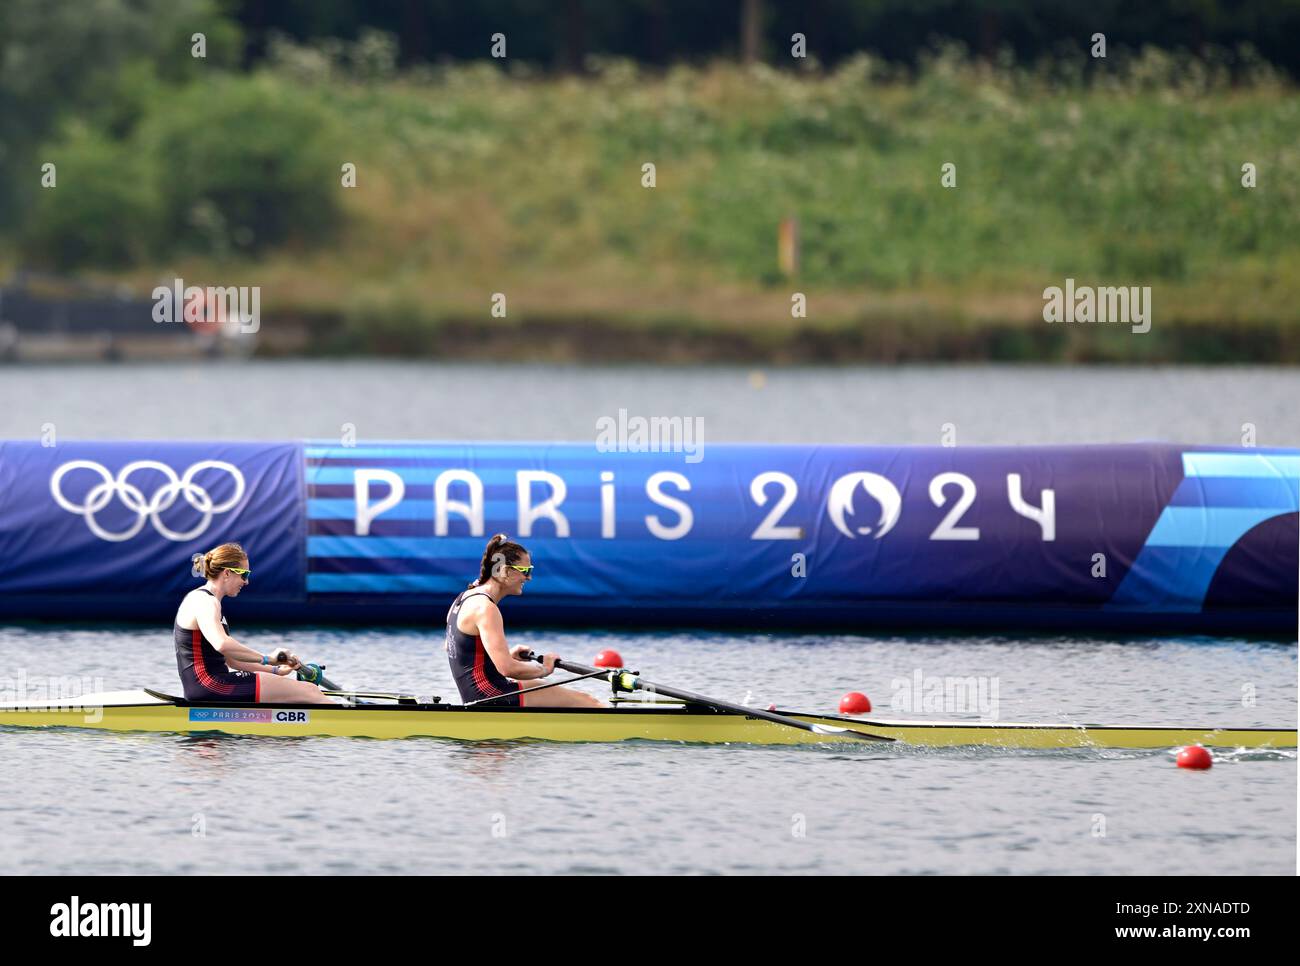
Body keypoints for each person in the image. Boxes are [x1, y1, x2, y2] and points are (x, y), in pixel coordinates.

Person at [446, 534, 601, 708]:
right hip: (491, 695)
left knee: (575, 699)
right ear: (505, 571)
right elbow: (507, 669)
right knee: (588, 702)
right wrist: (544, 669)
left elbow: (456, 649)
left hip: (479, 695)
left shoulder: (463, 598)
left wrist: (506, 655)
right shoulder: (486, 608)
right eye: (525, 571)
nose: (529, 578)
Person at [174, 542, 336, 704]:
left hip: (209, 686)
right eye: (244, 575)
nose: (246, 582)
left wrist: (276, 670)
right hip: (211, 685)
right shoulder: (205, 601)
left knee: (303, 692)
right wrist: (268, 658)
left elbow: (232, 661)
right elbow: (222, 644)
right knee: (310, 691)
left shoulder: (206, 601)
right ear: (227, 573)